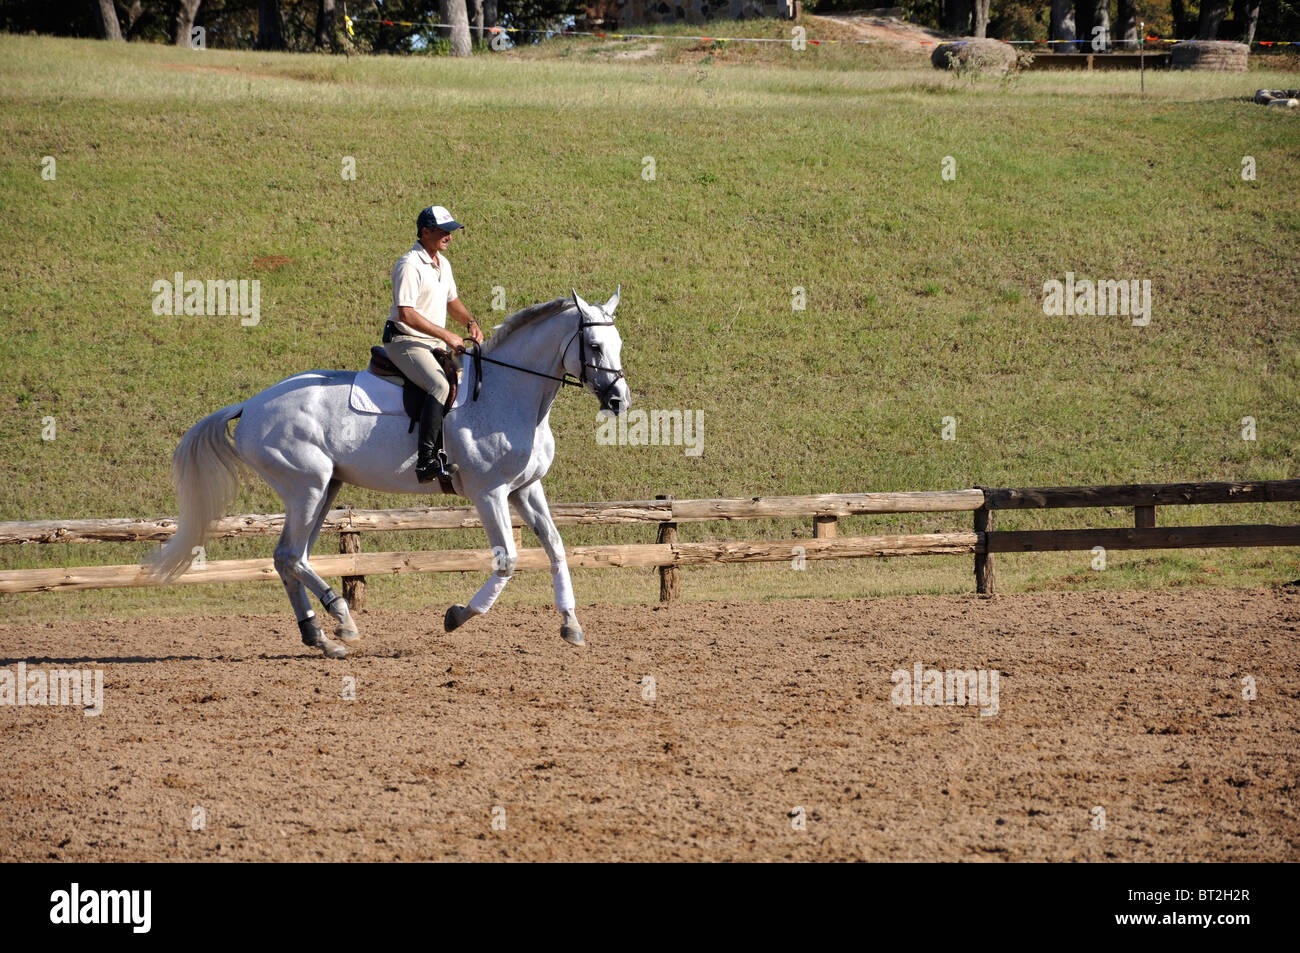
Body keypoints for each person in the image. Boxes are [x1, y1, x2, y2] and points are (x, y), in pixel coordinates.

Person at [383, 204, 484, 482]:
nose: (449, 237)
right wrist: (446, 335)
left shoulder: (443, 262)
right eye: (444, 232)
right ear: (425, 231)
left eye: (451, 232)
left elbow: (452, 302)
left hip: (430, 343)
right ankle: (426, 461)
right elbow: (407, 313)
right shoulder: (409, 265)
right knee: (439, 385)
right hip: (405, 340)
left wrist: (469, 323)